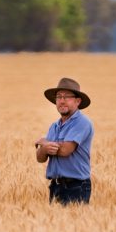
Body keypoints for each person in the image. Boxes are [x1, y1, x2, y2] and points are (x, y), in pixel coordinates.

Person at [34, 76, 92, 205]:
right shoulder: (54, 126)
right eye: (59, 97)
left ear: (78, 101)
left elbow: (65, 150)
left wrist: (45, 143)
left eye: (67, 97)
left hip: (76, 186)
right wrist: (44, 148)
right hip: (55, 186)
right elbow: (40, 158)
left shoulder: (82, 122)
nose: (62, 101)